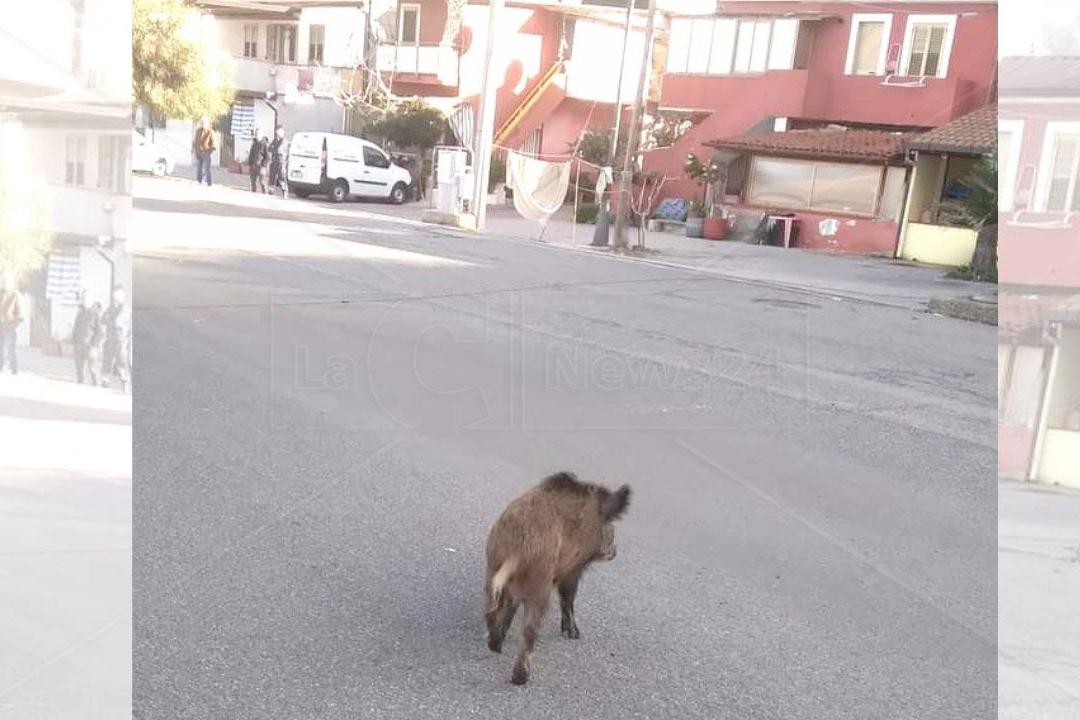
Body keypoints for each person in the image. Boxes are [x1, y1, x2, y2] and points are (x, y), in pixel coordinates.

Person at [102, 287, 131, 394]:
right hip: (110, 338)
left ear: (123, 296)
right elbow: (102, 319)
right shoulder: (111, 307)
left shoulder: (125, 309)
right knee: (107, 360)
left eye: (118, 295)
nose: (115, 297)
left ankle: (125, 382)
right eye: (114, 295)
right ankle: (105, 380)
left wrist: (109, 318)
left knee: (121, 361)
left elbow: (117, 322)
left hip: (120, 339)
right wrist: (109, 316)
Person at [72, 292, 104, 385]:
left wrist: (94, 345)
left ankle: (96, 385)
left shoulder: (95, 312)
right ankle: (81, 384)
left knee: (93, 369)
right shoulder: (80, 311)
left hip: (90, 345)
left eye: (86, 298)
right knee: (79, 369)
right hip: (79, 344)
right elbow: (76, 327)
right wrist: (74, 341)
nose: (85, 300)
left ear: (91, 300)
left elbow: (100, 332)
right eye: (83, 298)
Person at [0, 277, 22, 375]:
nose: (4, 284)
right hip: (1, 324)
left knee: (11, 348)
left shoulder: (15, 295)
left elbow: (19, 311)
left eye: (6, 282)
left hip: (10, 324)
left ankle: (14, 368)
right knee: (0, 347)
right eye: (3, 282)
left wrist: (16, 323)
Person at [193, 118, 217, 186]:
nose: (203, 124)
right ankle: (199, 180)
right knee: (199, 168)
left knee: (207, 168)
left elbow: (213, 144)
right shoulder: (198, 131)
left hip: (206, 153)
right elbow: (195, 141)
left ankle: (209, 182)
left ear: (207, 124)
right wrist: (195, 150)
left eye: (204, 123)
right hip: (198, 152)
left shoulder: (210, 132)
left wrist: (209, 151)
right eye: (202, 123)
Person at [268, 125, 288, 199]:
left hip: (281, 161)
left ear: (283, 132)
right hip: (274, 160)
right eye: (277, 131)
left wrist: (274, 148)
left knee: (281, 177)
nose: (278, 132)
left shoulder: (284, 141)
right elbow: (269, 148)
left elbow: (279, 150)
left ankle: (285, 192)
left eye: (280, 131)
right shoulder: (275, 140)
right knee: (272, 176)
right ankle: (271, 191)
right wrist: (273, 148)